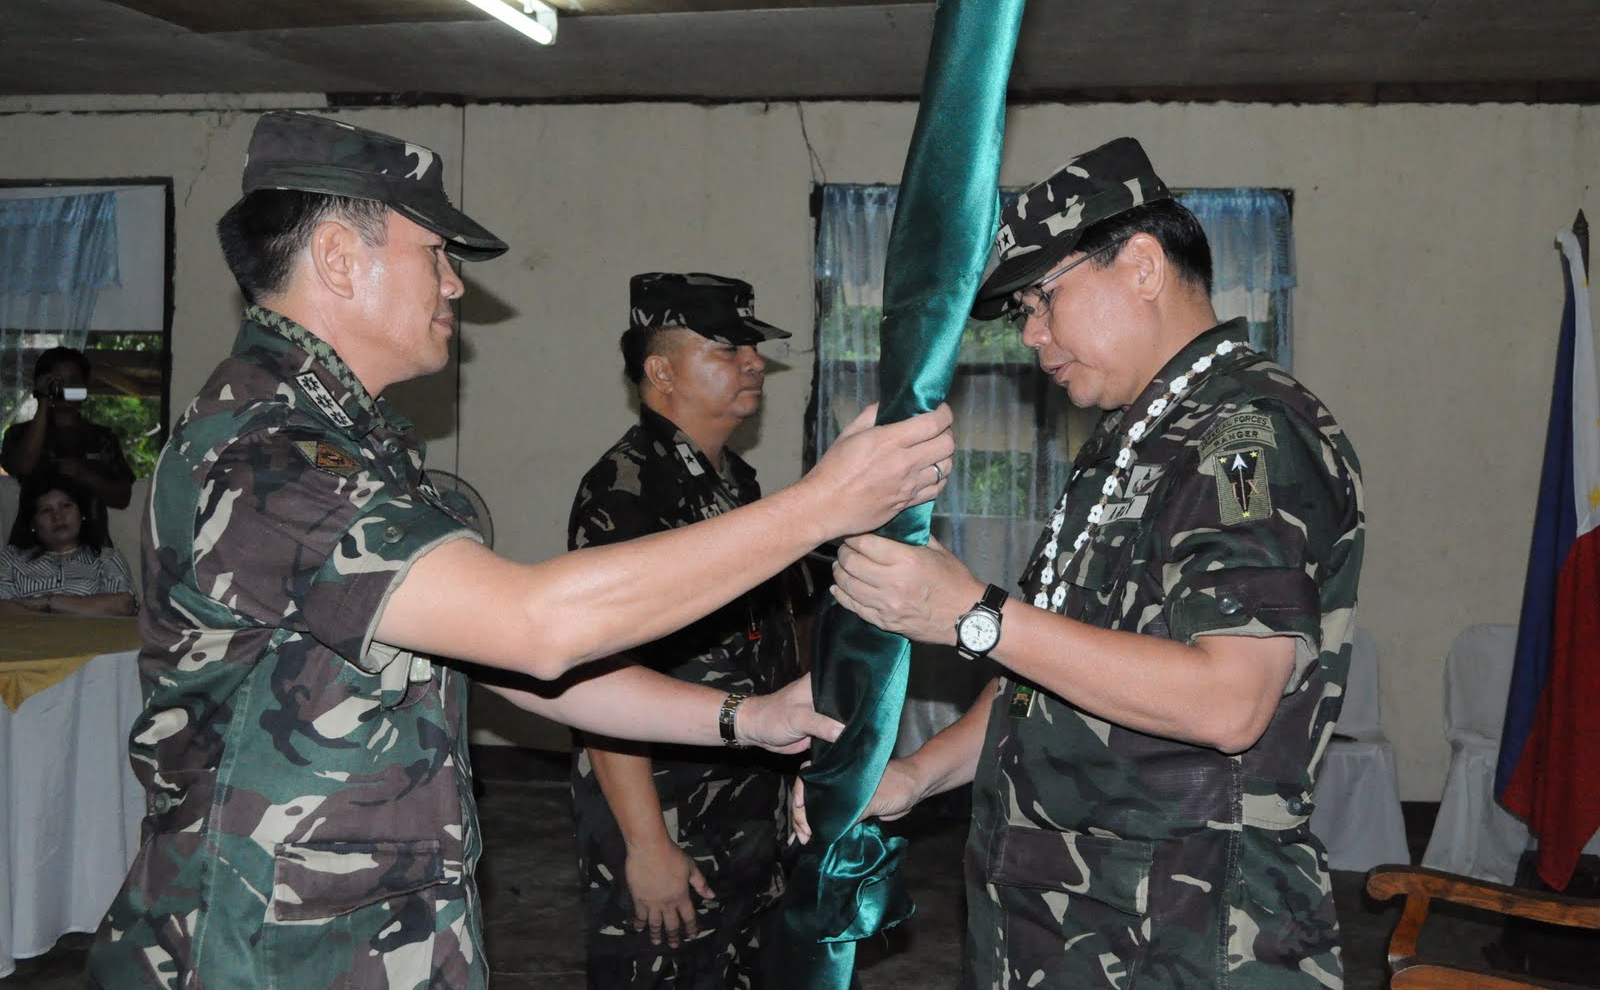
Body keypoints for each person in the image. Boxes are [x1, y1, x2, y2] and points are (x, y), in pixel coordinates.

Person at [85, 110, 954, 989]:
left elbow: (512, 663)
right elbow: (536, 623)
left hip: (361, 932)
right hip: (260, 949)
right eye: (436, 254)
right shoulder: (266, 451)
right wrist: (823, 505)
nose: (455, 286)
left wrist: (742, 719)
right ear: (341, 259)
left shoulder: (353, 443)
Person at [798, 137, 1366, 988]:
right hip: (1064, 922)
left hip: (1186, 934)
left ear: (1140, 265)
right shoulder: (1129, 442)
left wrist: (973, 613)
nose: (1031, 335)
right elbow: (1039, 675)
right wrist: (917, 775)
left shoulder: (1244, 434)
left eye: (1042, 299)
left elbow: (1230, 699)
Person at [568, 271, 810, 987]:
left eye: (752, 348)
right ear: (661, 369)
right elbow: (597, 674)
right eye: (727, 348)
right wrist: (647, 845)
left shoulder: (736, 484)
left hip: (747, 814)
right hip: (672, 824)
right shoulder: (626, 490)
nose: (753, 362)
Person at [1, 346, 136, 538]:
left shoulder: (102, 437)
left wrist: (86, 476)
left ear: (84, 387)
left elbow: (123, 497)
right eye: (58, 382)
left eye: (74, 382)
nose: (66, 389)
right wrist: (43, 402)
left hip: (91, 546)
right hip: (32, 548)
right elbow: (20, 467)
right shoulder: (20, 433)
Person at [0, 472, 136, 616]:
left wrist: (49, 602)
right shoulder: (11, 559)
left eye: (66, 506)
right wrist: (51, 624)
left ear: (82, 514)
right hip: (25, 636)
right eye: (46, 510)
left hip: (92, 637)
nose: (57, 516)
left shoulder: (107, 558)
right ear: (33, 524)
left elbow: (124, 605)